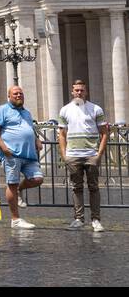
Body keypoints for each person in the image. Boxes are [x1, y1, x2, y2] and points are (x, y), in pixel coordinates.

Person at [0, 84, 44, 230]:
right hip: (12, 154)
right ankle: (15, 219)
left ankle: (20, 190)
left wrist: (36, 140)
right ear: (9, 96)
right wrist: (4, 148)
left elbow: (30, 128)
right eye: (15, 94)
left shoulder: (27, 113)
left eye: (21, 93)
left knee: (37, 179)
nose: (19, 95)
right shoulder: (2, 110)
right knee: (11, 184)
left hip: (29, 155)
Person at [57, 80, 108, 232]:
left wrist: (99, 154)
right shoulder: (64, 110)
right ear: (72, 92)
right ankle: (78, 219)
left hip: (91, 154)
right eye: (76, 90)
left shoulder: (96, 109)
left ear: (86, 92)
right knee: (76, 188)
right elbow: (61, 134)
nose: (79, 93)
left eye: (82, 90)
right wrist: (64, 154)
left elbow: (104, 133)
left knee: (94, 187)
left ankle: (96, 220)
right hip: (73, 155)